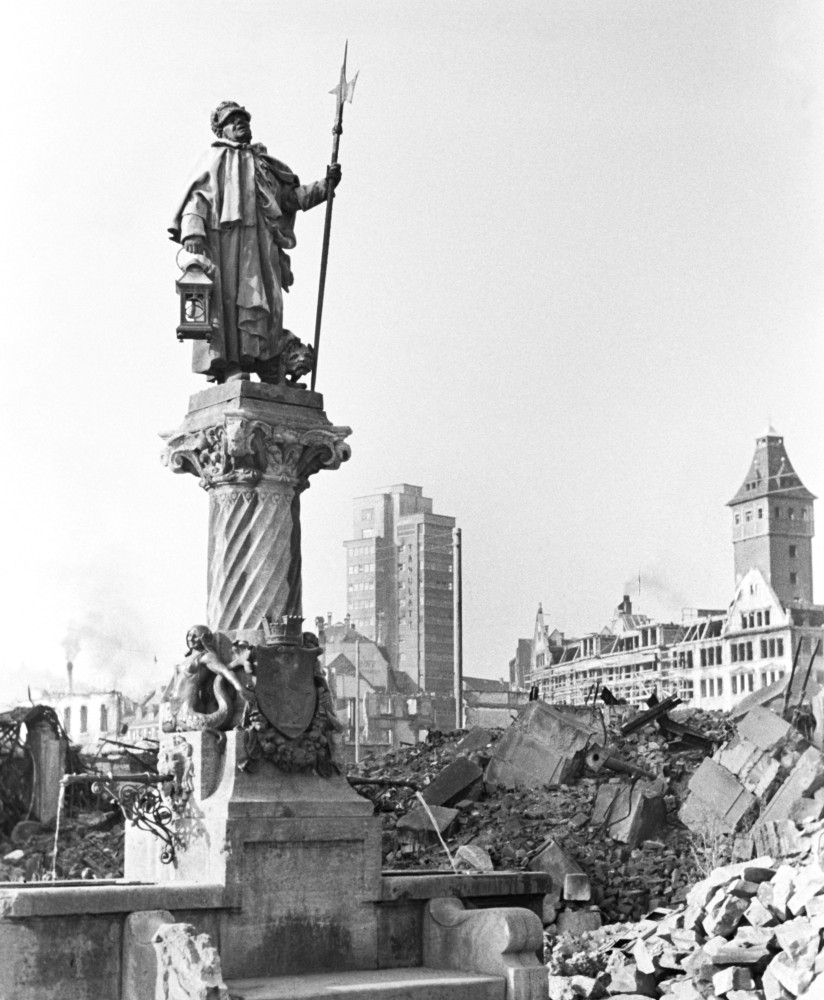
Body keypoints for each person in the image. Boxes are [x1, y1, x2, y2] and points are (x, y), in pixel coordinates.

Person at [169, 101, 341, 383]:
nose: (240, 123)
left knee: (266, 303)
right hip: (228, 243)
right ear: (221, 129)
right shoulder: (216, 159)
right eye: (232, 120)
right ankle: (232, 363)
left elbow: (289, 199)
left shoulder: (262, 163)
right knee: (231, 301)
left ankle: (266, 361)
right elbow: (197, 198)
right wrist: (193, 232)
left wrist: (325, 186)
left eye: (243, 118)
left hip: (262, 245)